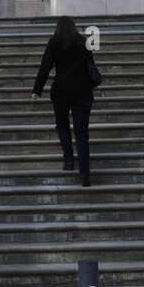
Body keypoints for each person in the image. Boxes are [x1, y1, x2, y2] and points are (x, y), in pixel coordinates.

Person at [31, 17, 96, 186]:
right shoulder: (83, 42)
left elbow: (45, 67)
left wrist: (37, 89)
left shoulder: (54, 43)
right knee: (82, 133)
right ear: (74, 27)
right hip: (82, 91)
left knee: (62, 125)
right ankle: (85, 173)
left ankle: (68, 159)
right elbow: (91, 66)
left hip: (61, 90)